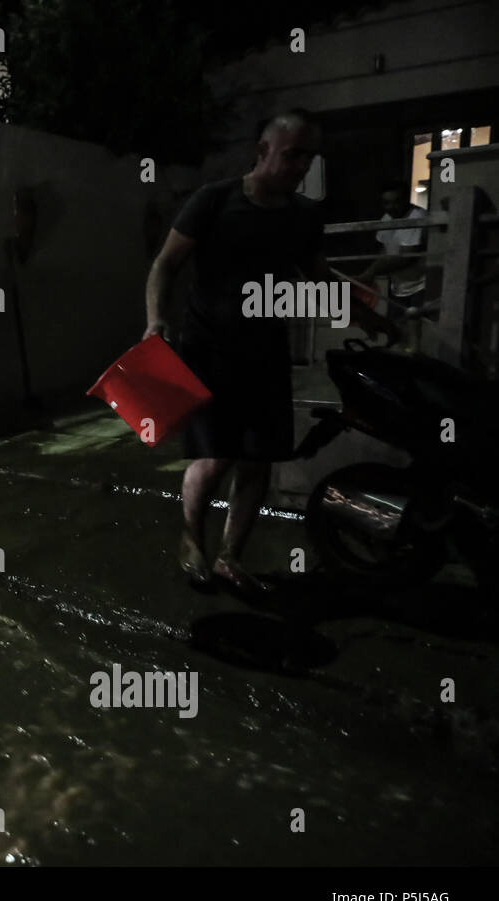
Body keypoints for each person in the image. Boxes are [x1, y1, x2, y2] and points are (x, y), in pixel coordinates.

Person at [144, 108, 377, 595]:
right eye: (293, 154)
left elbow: (317, 278)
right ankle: (191, 538)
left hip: (267, 353)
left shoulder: (302, 217)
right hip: (208, 349)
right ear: (262, 151)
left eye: (309, 157)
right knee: (214, 458)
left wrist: (369, 314)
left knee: (259, 460)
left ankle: (231, 558)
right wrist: (155, 322)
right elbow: (165, 264)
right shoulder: (213, 201)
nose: (300, 166)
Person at [357, 181, 428, 352]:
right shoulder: (386, 219)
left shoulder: (417, 216)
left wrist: (371, 271)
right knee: (397, 333)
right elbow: (384, 250)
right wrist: (372, 273)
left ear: (406, 199)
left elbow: (406, 257)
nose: (392, 207)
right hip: (397, 286)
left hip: (421, 286)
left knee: (417, 340)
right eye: (387, 203)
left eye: (397, 201)